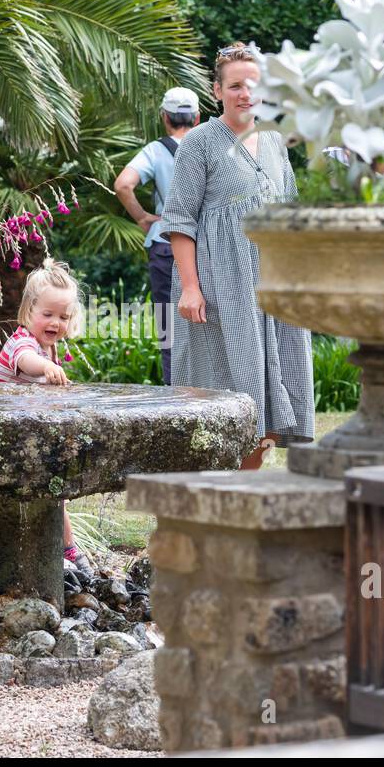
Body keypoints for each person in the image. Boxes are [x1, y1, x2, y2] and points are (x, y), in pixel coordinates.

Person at [162, 42, 315, 470]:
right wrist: (190, 288)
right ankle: (209, 502)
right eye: (234, 86)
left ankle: (241, 497)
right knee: (226, 400)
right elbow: (179, 222)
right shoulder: (199, 143)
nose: (244, 93)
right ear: (217, 90)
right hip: (220, 290)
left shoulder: (273, 141)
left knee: (270, 396)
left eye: (252, 85)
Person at [0, 258, 91, 572]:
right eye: (47, 314)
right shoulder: (23, 343)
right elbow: (26, 362)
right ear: (29, 310)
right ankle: (68, 550)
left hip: (21, 433)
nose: (55, 322)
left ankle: (52, 551)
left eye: (63, 316)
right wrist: (46, 367)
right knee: (52, 488)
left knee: (52, 486)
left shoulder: (49, 349)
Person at [113, 88, 201, 385]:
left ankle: (174, 389)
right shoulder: (209, 144)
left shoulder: (155, 150)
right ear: (197, 117)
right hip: (207, 245)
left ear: (165, 118)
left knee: (169, 323)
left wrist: (143, 218)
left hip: (165, 244)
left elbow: (124, 185)